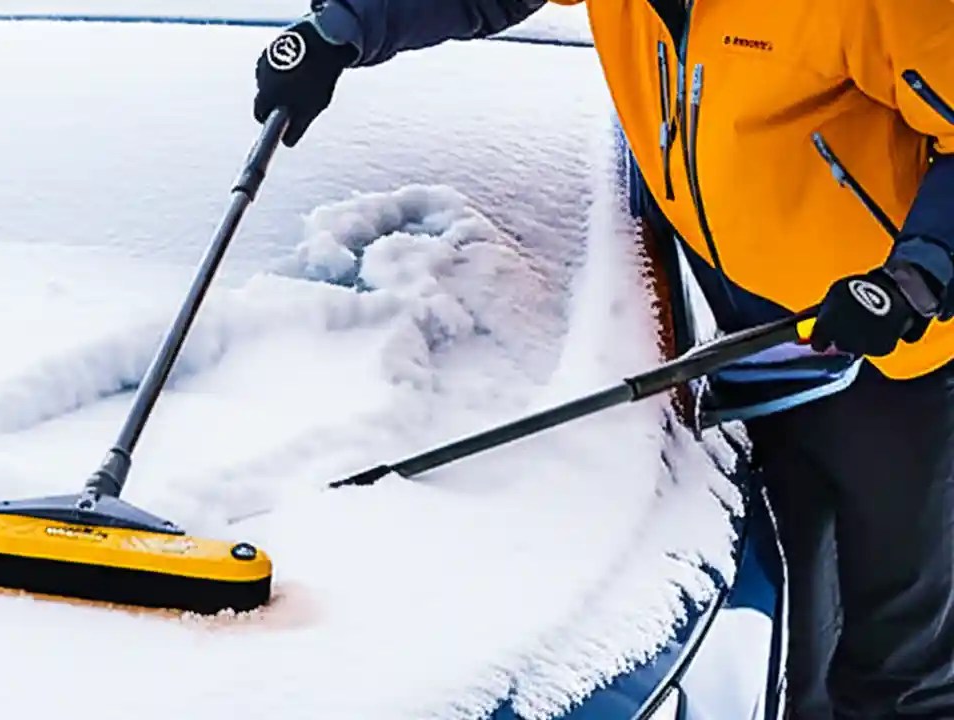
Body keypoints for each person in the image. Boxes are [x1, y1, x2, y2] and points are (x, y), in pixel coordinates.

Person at [249, 1, 954, 717]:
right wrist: (345, 27)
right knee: (800, 644)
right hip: (740, 339)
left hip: (890, 354)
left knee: (898, 667)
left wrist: (922, 269)